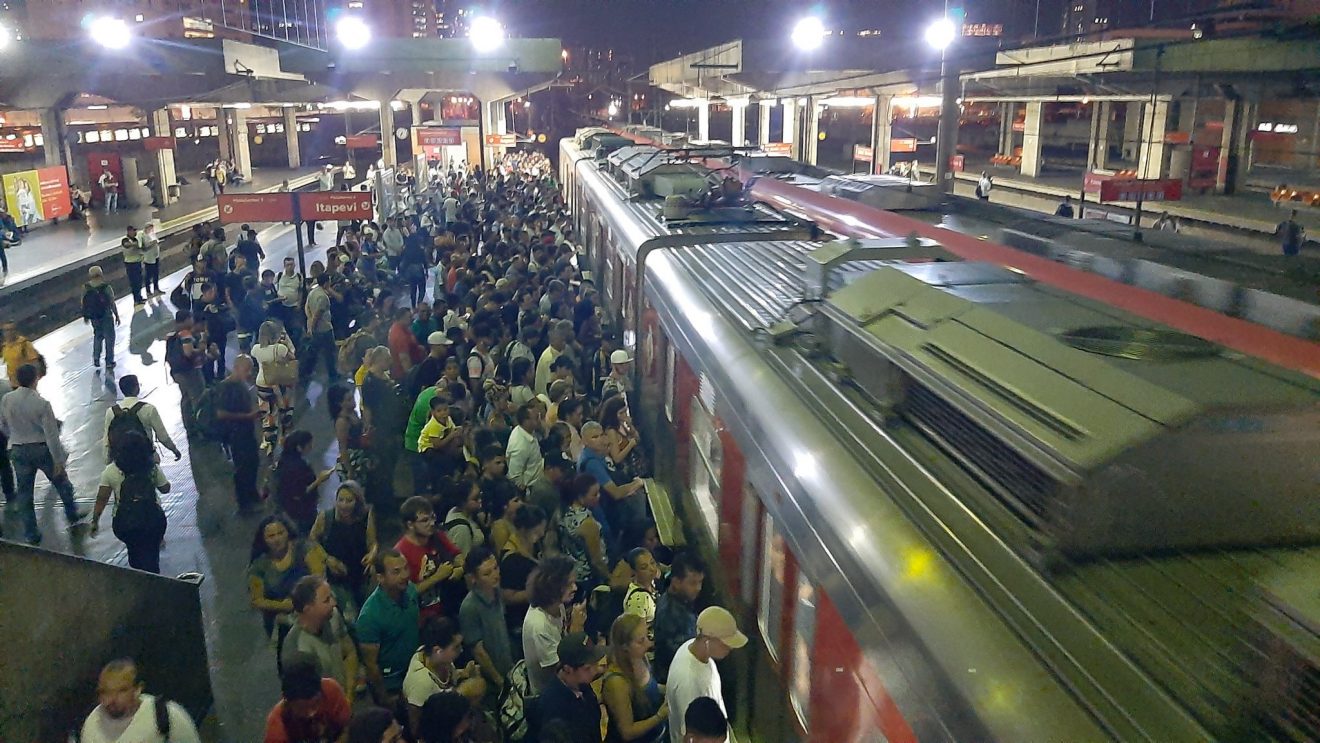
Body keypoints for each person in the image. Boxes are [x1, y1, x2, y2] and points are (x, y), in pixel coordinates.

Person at [0, 363, 85, 545]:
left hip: (18, 449)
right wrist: (58, 461)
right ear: (35, 379)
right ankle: (72, 514)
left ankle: (31, 533)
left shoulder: (7, 399)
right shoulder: (42, 404)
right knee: (62, 483)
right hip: (41, 448)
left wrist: (13, 439)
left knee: (24, 494)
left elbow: (3, 425)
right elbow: (52, 435)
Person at [91, 428, 170, 573]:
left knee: (134, 551)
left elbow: (102, 498)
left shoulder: (110, 470)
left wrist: (95, 521)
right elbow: (166, 488)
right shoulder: (151, 468)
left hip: (125, 524)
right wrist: (156, 466)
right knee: (152, 555)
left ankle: (138, 574)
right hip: (152, 521)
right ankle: (154, 576)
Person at [665, 607, 747, 743]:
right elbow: (692, 733)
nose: (730, 648)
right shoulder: (689, 681)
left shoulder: (690, 648)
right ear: (706, 641)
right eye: (726, 643)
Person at [248, 513, 329, 645]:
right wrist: (283, 606)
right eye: (271, 536)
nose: (277, 539)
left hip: (313, 614)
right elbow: (257, 600)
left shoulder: (304, 548)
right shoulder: (259, 565)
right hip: (280, 625)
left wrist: (301, 602)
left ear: (288, 532)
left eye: (280, 533)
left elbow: (318, 578)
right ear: (263, 539)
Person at [80, 658, 202, 743]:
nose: (111, 699)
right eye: (105, 692)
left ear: (138, 689)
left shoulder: (165, 716)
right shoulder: (90, 726)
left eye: (121, 691)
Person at [358, 549, 422, 707]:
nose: (405, 575)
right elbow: (371, 665)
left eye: (405, 568)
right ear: (380, 577)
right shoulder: (370, 615)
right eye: (396, 572)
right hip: (392, 685)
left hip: (415, 673)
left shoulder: (411, 591)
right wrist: (384, 698)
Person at [403, 617, 485, 736]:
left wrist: (463, 673)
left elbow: (448, 679)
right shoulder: (420, 683)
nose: (461, 650)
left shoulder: (434, 656)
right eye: (456, 647)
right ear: (438, 650)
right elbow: (416, 728)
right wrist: (462, 693)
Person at [281, 575, 359, 697]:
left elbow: (349, 652)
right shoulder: (298, 650)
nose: (334, 602)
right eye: (326, 600)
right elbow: (306, 699)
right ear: (308, 610)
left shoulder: (333, 616)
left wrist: (348, 697)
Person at [310, 480, 378, 619]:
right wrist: (327, 559)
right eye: (340, 500)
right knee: (350, 615)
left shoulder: (365, 516)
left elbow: (373, 542)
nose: (344, 505)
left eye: (349, 500)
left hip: (361, 576)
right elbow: (312, 540)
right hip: (337, 578)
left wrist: (372, 555)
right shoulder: (326, 518)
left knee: (365, 611)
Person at [523, 554, 587, 695]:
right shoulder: (538, 625)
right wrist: (576, 629)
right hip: (552, 694)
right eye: (569, 584)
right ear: (553, 585)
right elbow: (562, 670)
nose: (575, 588)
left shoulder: (558, 606)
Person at [395, 495, 464, 622]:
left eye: (433, 517)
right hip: (422, 619)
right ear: (410, 524)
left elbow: (458, 555)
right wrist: (438, 576)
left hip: (447, 607)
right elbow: (406, 594)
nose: (432, 523)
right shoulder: (401, 553)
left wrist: (459, 567)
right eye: (425, 520)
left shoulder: (437, 536)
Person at [603, 614, 669, 743]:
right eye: (640, 641)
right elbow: (627, 732)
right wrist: (659, 716)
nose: (648, 644)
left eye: (647, 637)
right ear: (624, 647)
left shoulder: (641, 657)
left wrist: (670, 688)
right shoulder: (617, 682)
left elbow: (650, 687)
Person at [457, 544, 514, 690]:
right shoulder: (469, 607)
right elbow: (478, 651)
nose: (495, 575)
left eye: (496, 568)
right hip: (489, 678)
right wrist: (499, 680)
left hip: (507, 664)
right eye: (487, 573)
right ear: (473, 578)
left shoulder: (496, 592)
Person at [536, 631, 606, 743]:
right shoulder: (554, 709)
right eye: (588, 668)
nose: (595, 670)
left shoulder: (581, 684)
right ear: (568, 669)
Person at [263, 655, 351, 743]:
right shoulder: (277, 725)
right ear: (288, 703)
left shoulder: (332, 690)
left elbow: (348, 727)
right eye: (301, 708)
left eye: (315, 704)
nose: (311, 713)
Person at [215, 355, 262, 513]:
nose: (249, 373)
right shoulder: (225, 387)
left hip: (247, 432)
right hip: (235, 434)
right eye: (246, 369)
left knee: (253, 462)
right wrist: (247, 417)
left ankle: (252, 492)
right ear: (236, 367)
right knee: (242, 468)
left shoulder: (242, 384)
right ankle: (244, 504)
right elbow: (221, 414)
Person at [653, 552, 706, 683]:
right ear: (676, 582)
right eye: (693, 583)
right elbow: (683, 654)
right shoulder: (669, 613)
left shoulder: (682, 599)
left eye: (700, 582)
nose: (698, 588)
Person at [103, 374, 182, 461]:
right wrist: (174, 450)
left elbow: (107, 440)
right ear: (136, 388)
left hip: (122, 460)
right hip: (146, 458)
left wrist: (107, 460)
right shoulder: (149, 409)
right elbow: (163, 437)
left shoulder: (111, 412)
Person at [501, 503, 547, 642]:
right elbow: (508, 597)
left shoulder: (534, 544)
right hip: (522, 619)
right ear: (522, 529)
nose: (540, 535)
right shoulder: (511, 560)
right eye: (536, 532)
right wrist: (541, 589)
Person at [275, 430, 333, 535]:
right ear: (299, 447)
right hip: (301, 510)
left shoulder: (285, 460)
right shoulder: (298, 467)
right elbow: (300, 493)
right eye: (309, 444)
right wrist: (320, 480)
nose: (311, 446)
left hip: (288, 507)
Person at [252, 320, 298, 454]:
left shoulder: (255, 349)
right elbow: (292, 357)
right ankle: (285, 438)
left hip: (261, 384)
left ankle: (269, 443)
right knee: (284, 411)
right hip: (278, 383)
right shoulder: (280, 348)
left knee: (268, 414)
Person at [560, 473, 610, 593]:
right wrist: (610, 578)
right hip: (588, 580)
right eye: (594, 494)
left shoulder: (564, 512)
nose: (598, 496)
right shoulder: (588, 524)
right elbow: (596, 560)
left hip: (571, 572)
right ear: (581, 496)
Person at [81, 266, 121, 371]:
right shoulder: (106, 287)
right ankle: (109, 361)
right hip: (106, 316)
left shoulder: (86, 287)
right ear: (101, 274)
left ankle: (96, 359)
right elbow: (112, 302)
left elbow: (83, 303)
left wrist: (85, 316)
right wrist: (116, 315)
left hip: (94, 317)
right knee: (109, 339)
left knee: (98, 336)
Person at [301, 273, 339, 383]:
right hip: (324, 329)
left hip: (315, 328)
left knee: (313, 352)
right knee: (330, 353)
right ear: (327, 282)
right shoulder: (323, 297)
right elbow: (318, 314)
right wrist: (312, 328)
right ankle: (333, 374)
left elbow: (307, 308)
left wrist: (309, 322)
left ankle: (306, 373)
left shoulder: (313, 292)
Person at [442, 477, 486, 558]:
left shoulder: (457, 511)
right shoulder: (461, 529)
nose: (480, 500)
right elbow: (464, 561)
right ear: (463, 502)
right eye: (475, 499)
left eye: (480, 495)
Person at [622, 547, 661, 636]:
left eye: (652, 562)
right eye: (644, 567)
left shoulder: (652, 584)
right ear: (634, 572)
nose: (651, 568)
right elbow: (637, 633)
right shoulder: (638, 599)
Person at [506, 402, 544, 489]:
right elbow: (515, 478)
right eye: (536, 418)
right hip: (533, 487)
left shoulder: (528, 430)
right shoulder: (520, 446)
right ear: (526, 421)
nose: (539, 420)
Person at [141, 223, 163, 296]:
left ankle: (156, 289)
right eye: (150, 228)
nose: (151, 230)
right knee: (149, 275)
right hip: (149, 259)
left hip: (155, 257)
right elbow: (145, 247)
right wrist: (153, 243)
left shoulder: (152, 234)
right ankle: (148, 291)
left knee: (156, 274)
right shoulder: (143, 236)